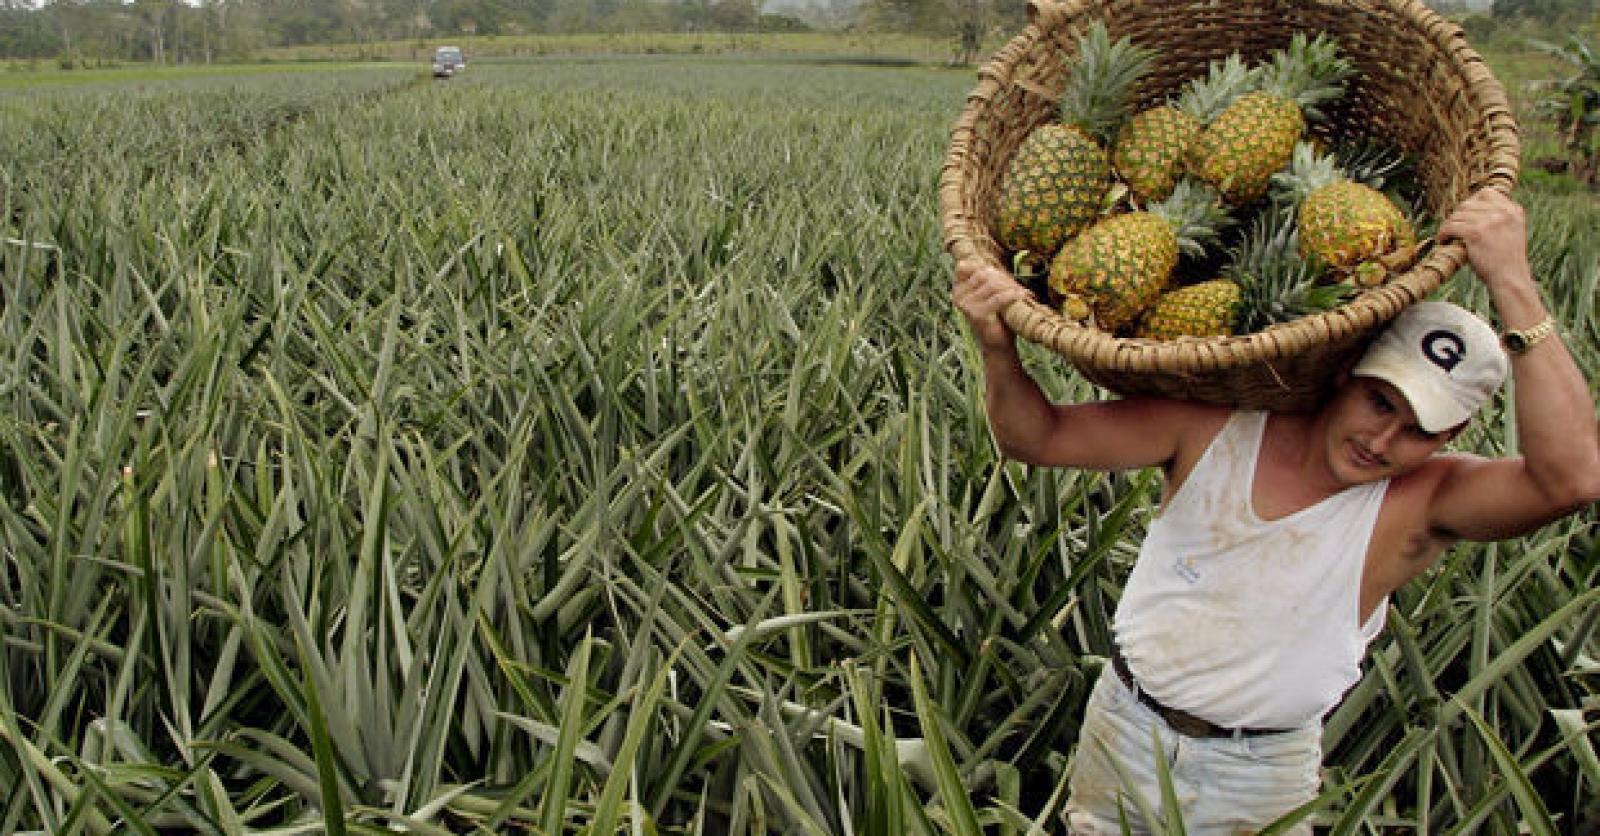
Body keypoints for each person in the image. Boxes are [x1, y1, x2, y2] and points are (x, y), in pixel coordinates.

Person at [950, 187, 1600, 834]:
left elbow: (1572, 479)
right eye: (1380, 402)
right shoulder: (1216, 425)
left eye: (1418, 429)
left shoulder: (1422, 502)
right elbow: (1035, 438)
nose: (1383, 441)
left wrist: (1513, 283)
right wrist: (997, 348)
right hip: (1126, 726)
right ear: (1347, 372)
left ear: (1448, 439)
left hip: (1259, 770)